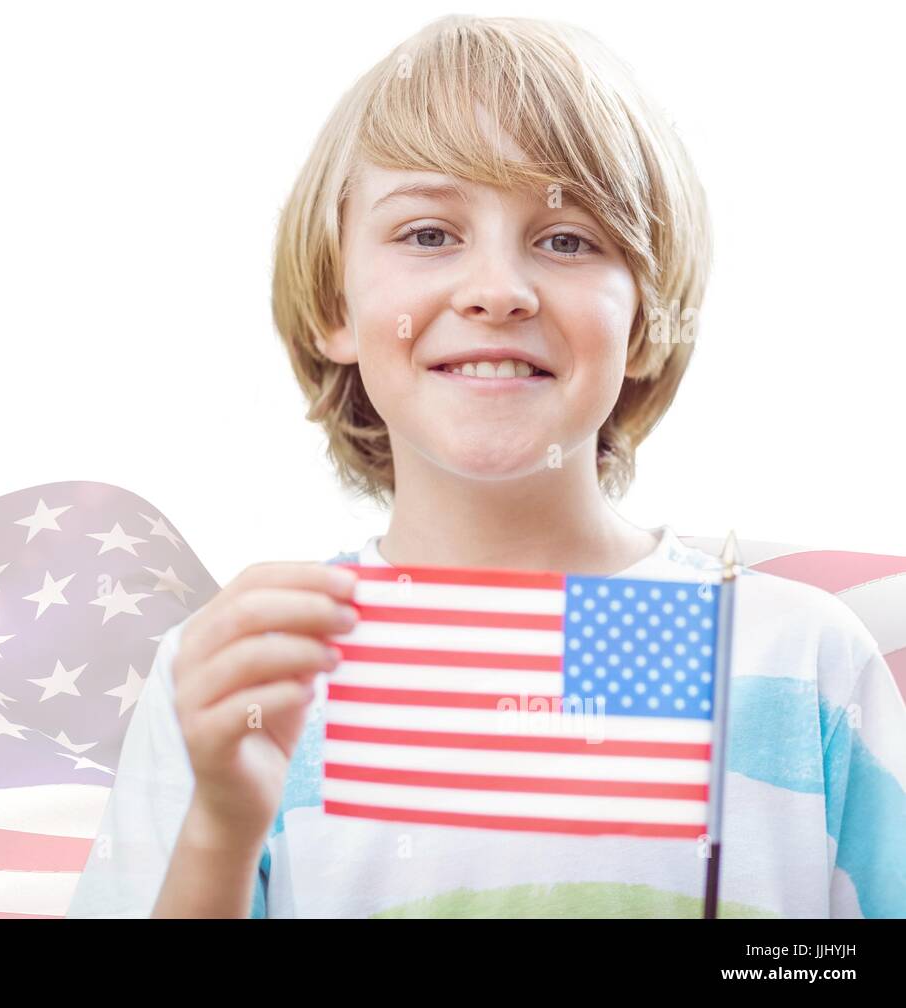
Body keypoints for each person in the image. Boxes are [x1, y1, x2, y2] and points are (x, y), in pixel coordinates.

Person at [66, 14, 906, 918]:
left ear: (645, 324)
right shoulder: (242, 670)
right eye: (428, 234)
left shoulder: (795, 656)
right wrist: (221, 833)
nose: (498, 291)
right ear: (332, 303)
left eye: (567, 239)